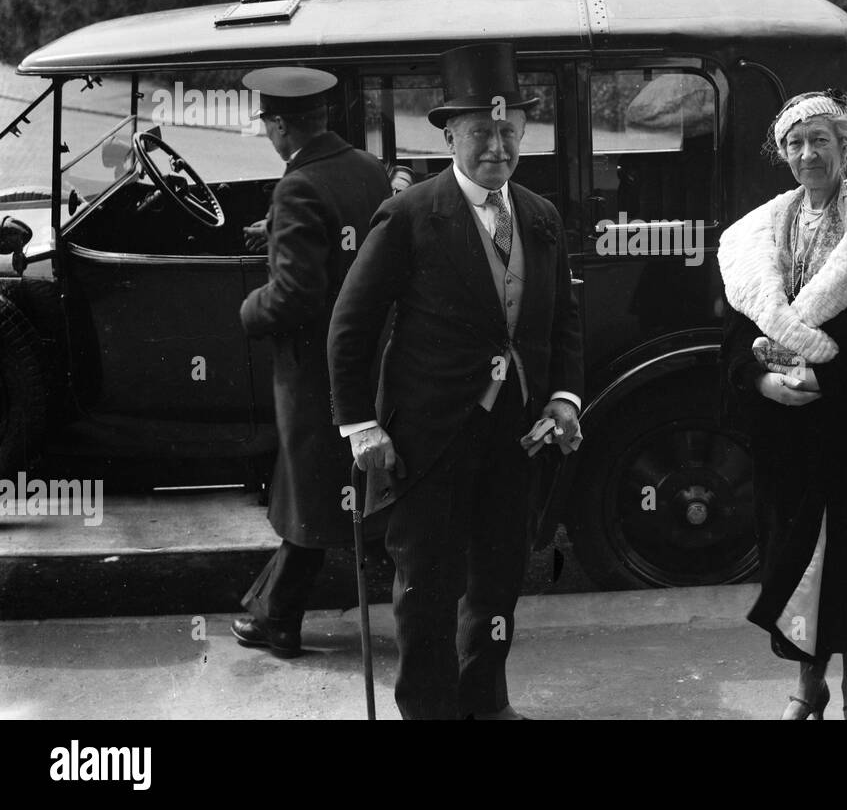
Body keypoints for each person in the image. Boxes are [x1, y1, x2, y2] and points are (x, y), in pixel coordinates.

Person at [328, 42, 583, 720]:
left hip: (515, 437)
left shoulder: (540, 216)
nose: (495, 147)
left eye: (507, 132)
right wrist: (360, 424)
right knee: (427, 585)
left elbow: (563, 324)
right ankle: (429, 709)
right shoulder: (413, 215)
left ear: (522, 134)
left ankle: (485, 699)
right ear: (448, 136)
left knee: (498, 579)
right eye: (480, 133)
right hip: (427, 437)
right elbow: (350, 326)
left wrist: (562, 395)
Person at [717, 89, 847, 720]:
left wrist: (829, 384)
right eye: (796, 144)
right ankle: (809, 681)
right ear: (783, 154)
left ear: (846, 146)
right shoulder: (758, 232)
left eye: (821, 142)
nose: (808, 155)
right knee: (793, 555)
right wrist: (762, 382)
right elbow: (733, 337)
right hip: (783, 431)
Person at [230, 67, 392, 658]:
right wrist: (275, 232)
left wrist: (250, 311)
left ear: (278, 125)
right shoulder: (366, 168)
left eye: (268, 125)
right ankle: (274, 614)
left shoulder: (296, 186)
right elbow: (350, 235)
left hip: (311, 369)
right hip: (367, 356)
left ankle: (278, 619)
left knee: (312, 492)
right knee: (335, 490)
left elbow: (296, 294)